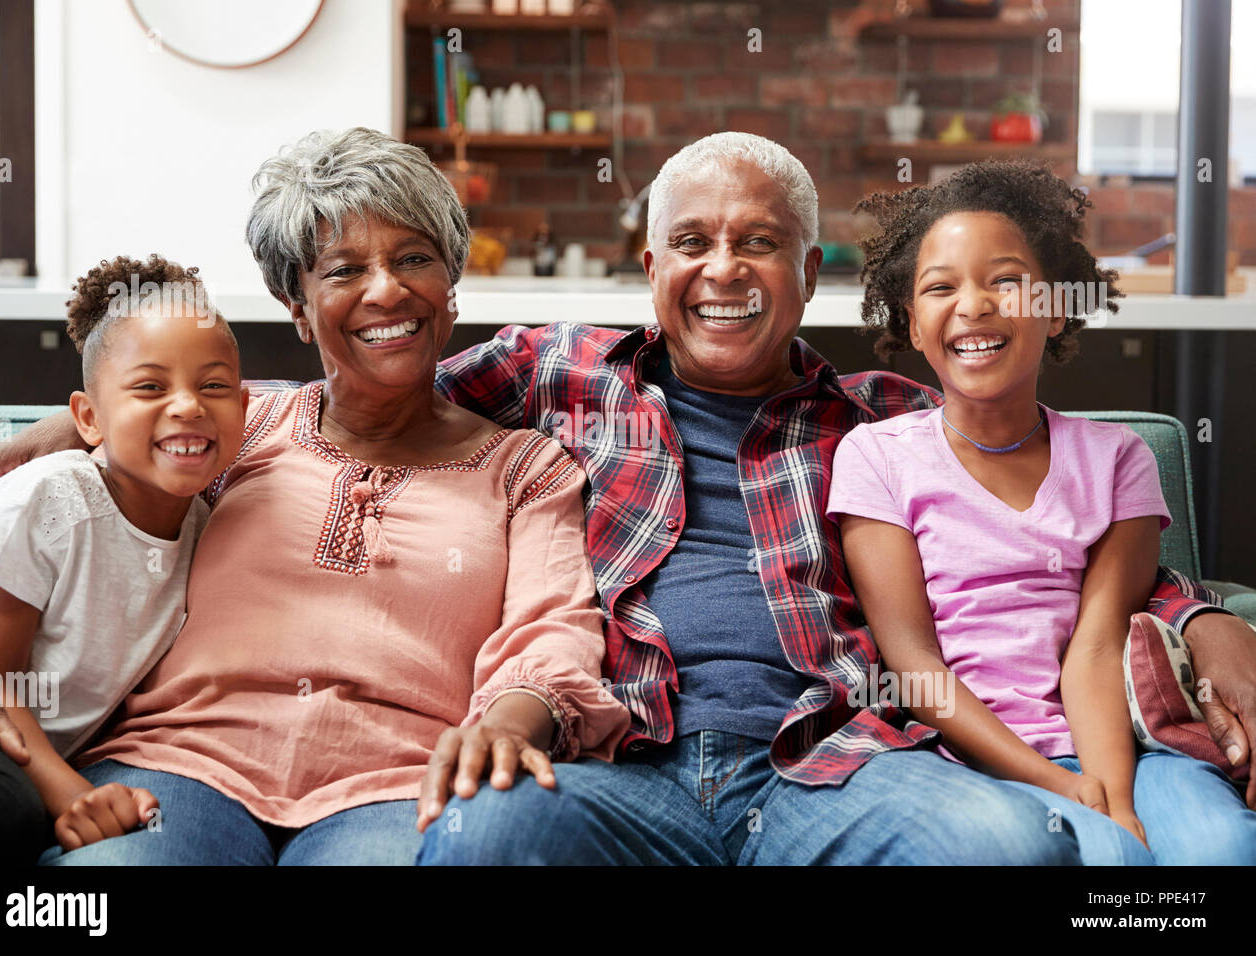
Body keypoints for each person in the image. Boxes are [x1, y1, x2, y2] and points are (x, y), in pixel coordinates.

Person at [412, 132, 1253, 864]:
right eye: (693, 241)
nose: (723, 269)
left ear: (811, 273)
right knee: (482, 832)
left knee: (1007, 845)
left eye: (760, 241)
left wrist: (1208, 621)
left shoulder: (885, 420)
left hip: (833, 761)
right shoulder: (558, 370)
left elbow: (1052, 531)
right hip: (625, 760)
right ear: (653, 267)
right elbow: (372, 416)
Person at [0, 128, 630, 865]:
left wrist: (508, 722)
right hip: (175, 767)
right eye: (345, 269)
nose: (386, 289)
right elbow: (13, 529)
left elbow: (552, 632)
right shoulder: (239, 428)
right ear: (298, 307)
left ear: (450, 285)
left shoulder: (525, 469)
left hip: (400, 783)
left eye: (414, 259)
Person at [826, 160, 1256, 864]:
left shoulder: (1118, 458)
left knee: (1221, 852)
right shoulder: (876, 457)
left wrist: (1109, 793)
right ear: (912, 320)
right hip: (966, 761)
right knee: (1104, 865)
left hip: (1122, 743)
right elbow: (913, 666)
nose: (973, 304)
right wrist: (1059, 786)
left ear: (1055, 306)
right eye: (941, 287)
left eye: (1005, 280)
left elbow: (1094, 644)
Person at [0, 255, 247, 864]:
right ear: (87, 418)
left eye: (213, 385)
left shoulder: (208, 528)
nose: (189, 406)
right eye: (149, 387)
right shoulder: (48, 499)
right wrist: (74, 797)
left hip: (48, 752)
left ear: (244, 409)